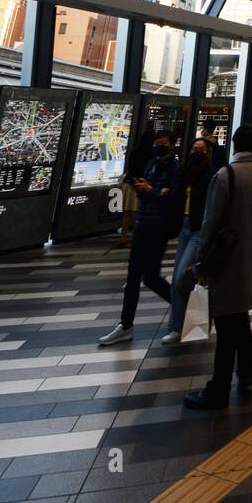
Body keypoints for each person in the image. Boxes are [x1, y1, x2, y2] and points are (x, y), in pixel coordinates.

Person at [183, 125, 252, 409]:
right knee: (238, 317)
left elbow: (210, 224)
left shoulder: (225, 175)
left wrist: (201, 262)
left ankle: (218, 390)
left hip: (225, 260)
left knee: (225, 323)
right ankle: (245, 374)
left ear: (233, 145)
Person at [99, 131, 181, 346]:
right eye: (156, 144)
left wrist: (152, 190)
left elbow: (172, 198)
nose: (158, 148)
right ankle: (125, 325)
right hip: (143, 223)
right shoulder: (151, 163)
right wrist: (154, 191)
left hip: (159, 227)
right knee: (133, 277)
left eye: (163, 144)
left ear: (172, 146)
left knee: (151, 277)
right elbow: (149, 191)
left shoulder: (174, 168)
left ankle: (182, 306)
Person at [162, 135, 215, 345]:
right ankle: (179, 323)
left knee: (180, 280)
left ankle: (178, 327)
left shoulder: (212, 175)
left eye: (201, 149)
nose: (197, 152)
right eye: (195, 148)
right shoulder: (186, 174)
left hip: (198, 231)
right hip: (184, 228)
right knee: (179, 278)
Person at [118, 127, 154, 247]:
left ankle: (123, 238)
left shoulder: (135, 150)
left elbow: (130, 167)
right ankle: (137, 238)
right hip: (142, 185)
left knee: (126, 213)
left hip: (129, 183)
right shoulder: (151, 153)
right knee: (140, 213)